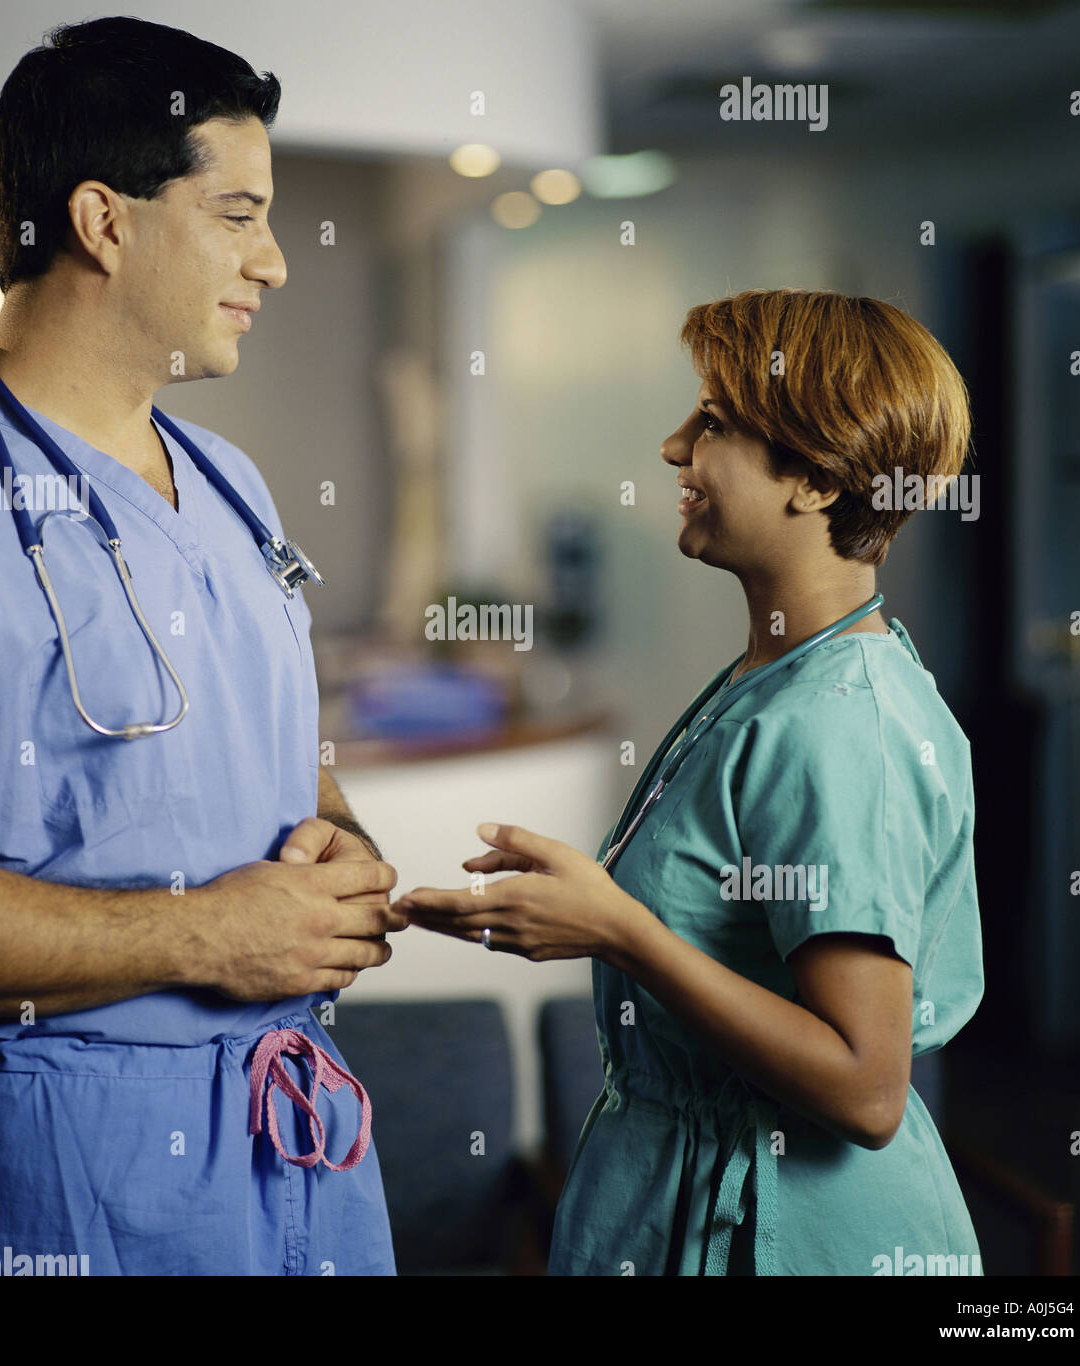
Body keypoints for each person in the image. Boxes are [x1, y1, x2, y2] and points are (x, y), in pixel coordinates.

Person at [0, 16, 406, 1276]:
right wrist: (208, 936)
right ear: (104, 221)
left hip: (291, 1146)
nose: (274, 262)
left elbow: (282, 762)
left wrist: (344, 854)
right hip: (57, 1182)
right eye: (240, 214)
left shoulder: (231, 482)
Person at [396, 288, 985, 1276]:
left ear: (817, 477)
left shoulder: (838, 721)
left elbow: (865, 1087)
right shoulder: (777, 677)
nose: (674, 449)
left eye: (711, 421)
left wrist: (620, 931)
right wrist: (582, 909)